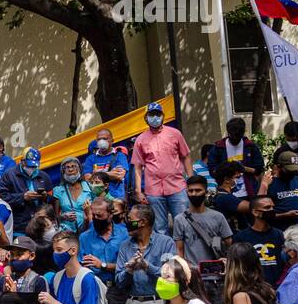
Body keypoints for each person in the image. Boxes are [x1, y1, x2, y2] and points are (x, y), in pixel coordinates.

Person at [130, 101, 192, 235]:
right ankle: (165, 255)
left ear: (163, 116)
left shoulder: (175, 134)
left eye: (158, 114)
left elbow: (186, 156)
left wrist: (191, 180)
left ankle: (185, 255)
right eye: (151, 115)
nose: (155, 118)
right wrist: (138, 191)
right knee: (159, 228)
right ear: (146, 118)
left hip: (177, 187)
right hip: (154, 190)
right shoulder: (140, 139)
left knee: (183, 225)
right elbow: (138, 167)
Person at [173, 174, 232, 267]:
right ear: (186, 192)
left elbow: (229, 245)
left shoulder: (218, 217)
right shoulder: (179, 219)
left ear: (206, 192)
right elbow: (179, 250)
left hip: (216, 272)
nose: (194, 194)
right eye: (190, 191)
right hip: (192, 273)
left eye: (198, 190)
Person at [0, 147, 52, 235]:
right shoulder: (9, 175)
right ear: (22, 161)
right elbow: (2, 198)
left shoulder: (43, 176)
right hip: (19, 226)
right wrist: (23, 197)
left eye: (34, 166)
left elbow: (52, 200)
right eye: (29, 165)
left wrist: (45, 197)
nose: (31, 168)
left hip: (40, 226)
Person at [233, 194, 285, 286]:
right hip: (252, 288)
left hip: (277, 287)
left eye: (273, 207)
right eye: (267, 207)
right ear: (255, 212)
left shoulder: (279, 235)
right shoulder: (241, 238)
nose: (272, 210)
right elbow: (237, 268)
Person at [206, 117, 264, 199]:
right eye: (232, 136)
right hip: (227, 194)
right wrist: (228, 169)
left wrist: (243, 168)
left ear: (243, 133)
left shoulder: (250, 147)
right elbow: (213, 171)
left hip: (249, 192)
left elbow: (259, 168)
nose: (235, 139)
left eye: (238, 137)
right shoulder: (218, 148)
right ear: (228, 132)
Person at [260, 150, 298, 231]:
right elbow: (262, 214)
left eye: (294, 169)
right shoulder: (270, 182)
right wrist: (285, 215)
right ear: (279, 166)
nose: (292, 172)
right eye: (289, 170)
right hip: (279, 230)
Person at [82, 128, 130, 201]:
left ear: (112, 141)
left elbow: (119, 175)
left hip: (116, 199)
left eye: (105, 138)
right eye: (99, 139)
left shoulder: (120, 156)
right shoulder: (90, 159)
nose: (101, 141)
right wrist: (111, 174)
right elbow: (87, 178)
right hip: (97, 200)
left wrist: (96, 174)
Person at [52, 157, 92, 235]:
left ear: (79, 169)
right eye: (67, 167)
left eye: (74, 166)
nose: (70, 169)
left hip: (88, 230)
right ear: (63, 171)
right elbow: (55, 217)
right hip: (67, 233)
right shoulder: (58, 191)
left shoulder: (89, 186)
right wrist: (63, 216)